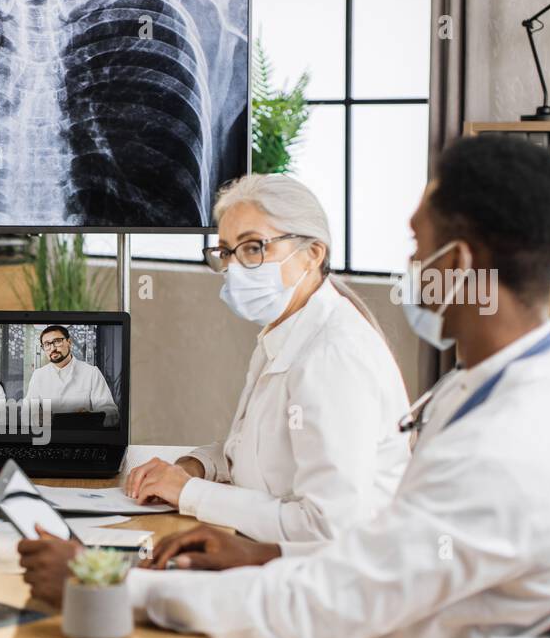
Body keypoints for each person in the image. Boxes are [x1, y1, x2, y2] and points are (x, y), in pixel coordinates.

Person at [17, 135, 550, 638]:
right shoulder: (506, 384)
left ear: (457, 268)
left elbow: (326, 598)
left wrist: (108, 588)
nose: (407, 272)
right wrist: (259, 548)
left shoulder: (502, 440)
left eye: (415, 248)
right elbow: (371, 556)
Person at [125, 174, 410, 543]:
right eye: (226, 252)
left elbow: (327, 527)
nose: (236, 267)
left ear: (313, 253)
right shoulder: (285, 333)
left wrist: (189, 493)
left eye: (254, 247)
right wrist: (198, 466)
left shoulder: (332, 356)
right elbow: (259, 460)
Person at [24, 324, 120, 426]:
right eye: (47, 344)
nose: (52, 348)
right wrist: (38, 418)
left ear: (69, 342)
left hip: (83, 436)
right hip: (49, 437)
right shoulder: (38, 375)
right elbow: (27, 411)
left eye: (57, 341)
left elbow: (112, 413)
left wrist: (89, 416)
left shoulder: (91, 373)